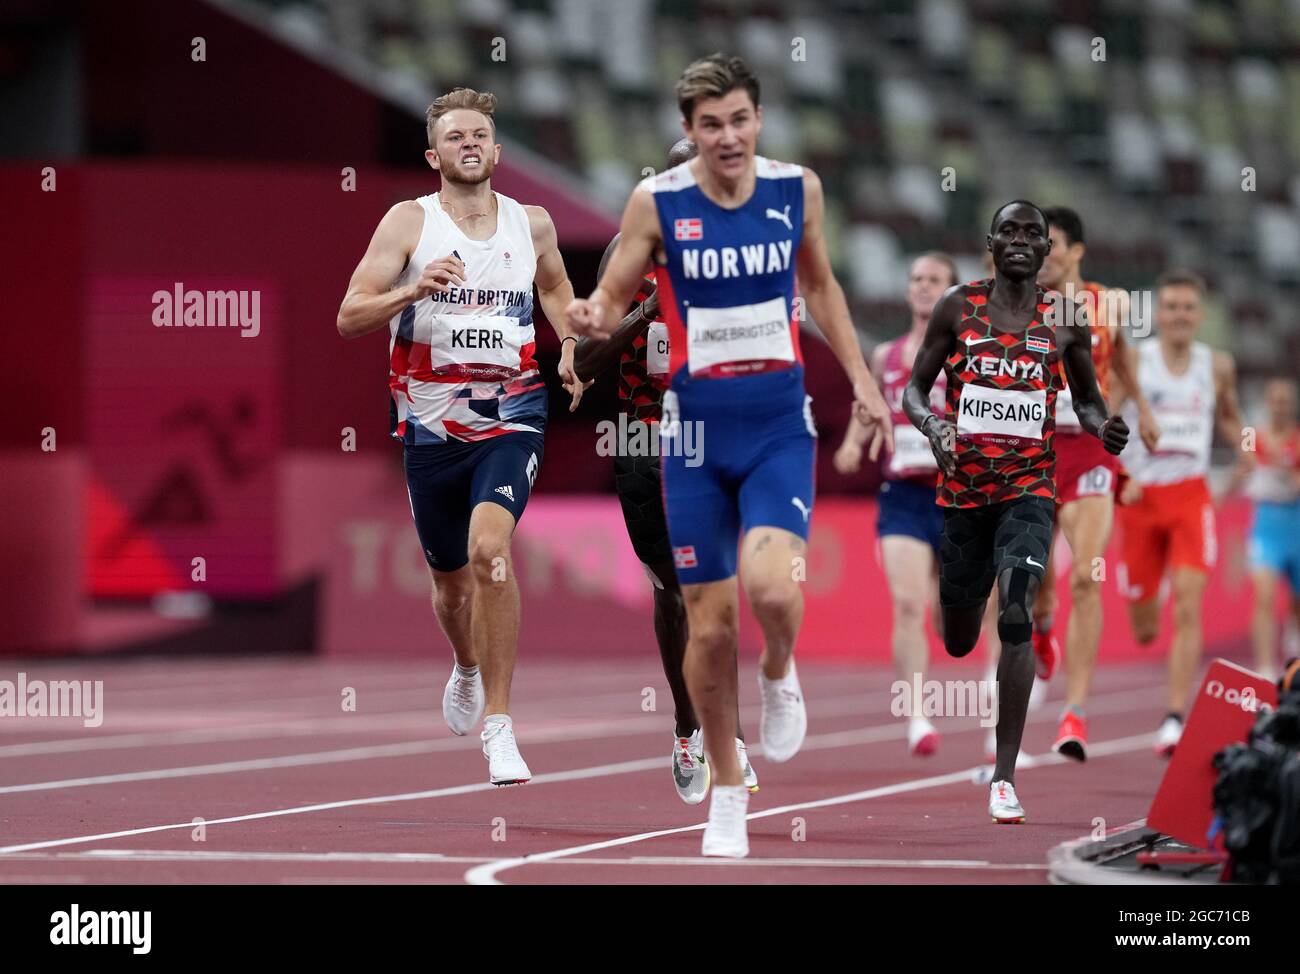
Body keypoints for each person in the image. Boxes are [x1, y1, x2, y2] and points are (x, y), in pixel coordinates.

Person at [565, 53, 891, 857]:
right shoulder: (658, 202)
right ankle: (726, 794)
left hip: (778, 424)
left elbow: (821, 290)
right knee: (706, 630)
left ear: (758, 121)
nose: (727, 136)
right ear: (688, 132)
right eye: (709, 124)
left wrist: (864, 382)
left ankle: (780, 670)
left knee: (774, 591)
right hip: (693, 434)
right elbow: (613, 294)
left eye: (739, 119)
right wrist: (592, 312)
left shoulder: (796, 190)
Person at [336, 87, 584, 785]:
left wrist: (567, 344)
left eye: (480, 135)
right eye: (455, 137)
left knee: (489, 551)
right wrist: (411, 292)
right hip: (428, 423)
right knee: (450, 586)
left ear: (497, 152)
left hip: (512, 413)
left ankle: (501, 725)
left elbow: (559, 290)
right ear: (433, 154)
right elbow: (351, 316)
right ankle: (466, 666)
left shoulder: (531, 224)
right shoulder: (407, 224)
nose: (469, 144)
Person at [902, 200, 1128, 824]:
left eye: (1035, 234)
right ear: (992, 243)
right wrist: (932, 426)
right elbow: (914, 388)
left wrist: (1103, 427)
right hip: (965, 493)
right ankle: (968, 620)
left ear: (1047, 249)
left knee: (1017, 612)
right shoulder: (957, 306)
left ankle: (1004, 775)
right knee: (958, 636)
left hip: (1031, 488)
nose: (1023, 241)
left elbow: (1086, 401)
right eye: (1011, 231)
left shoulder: (1065, 318)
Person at [573, 138, 758, 804]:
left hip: (715, 442)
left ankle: (728, 735)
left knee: (717, 589)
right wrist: (647, 313)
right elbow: (586, 366)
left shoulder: (741, 256)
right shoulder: (626, 254)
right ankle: (687, 723)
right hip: (642, 443)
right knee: (673, 592)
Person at [1030, 206, 1160, 760]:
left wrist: (1142, 412)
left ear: (1077, 251)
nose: (1043, 253)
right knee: (1033, 577)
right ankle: (1041, 625)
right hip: (1032, 449)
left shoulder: (1109, 304)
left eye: (1053, 243)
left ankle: (1074, 714)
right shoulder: (1018, 301)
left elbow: (1124, 359)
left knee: (1087, 575)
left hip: (1088, 450)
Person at [1112, 269, 1243, 756]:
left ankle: (1172, 717)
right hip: (1140, 501)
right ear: (1159, 314)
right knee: (1145, 626)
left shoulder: (1217, 365)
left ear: (1200, 315)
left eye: (1188, 308)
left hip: (1192, 497)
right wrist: (1117, 477)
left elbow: (1228, 413)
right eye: (1171, 307)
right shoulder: (1136, 361)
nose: (1180, 316)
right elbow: (1106, 414)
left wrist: (1243, 444)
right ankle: (1149, 594)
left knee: (1188, 606)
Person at [834, 252, 957, 756]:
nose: (924, 287)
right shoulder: (886, 356)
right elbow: (869, 403)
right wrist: (851, 444)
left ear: (953, 292)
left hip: (958, 498)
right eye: (917, 279)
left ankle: (996, 704)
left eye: (935, 280)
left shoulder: (965, 353)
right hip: (904, 496)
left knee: (957, 618)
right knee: (908, 606)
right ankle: (917, 716)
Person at [1231, 378, 1300, 681]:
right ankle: (1264, 668)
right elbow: (1243, 466)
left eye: (1285, 401)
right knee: (1264, 596)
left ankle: (1293, 632)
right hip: (1266, 526)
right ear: (1267, 403)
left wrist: (1284, 467)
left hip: (1295, 523)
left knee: (1296, 603)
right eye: (1275, 400)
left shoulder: (1298, 439)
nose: (1280, 407)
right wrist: (1222, 493)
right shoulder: (1251, 435)